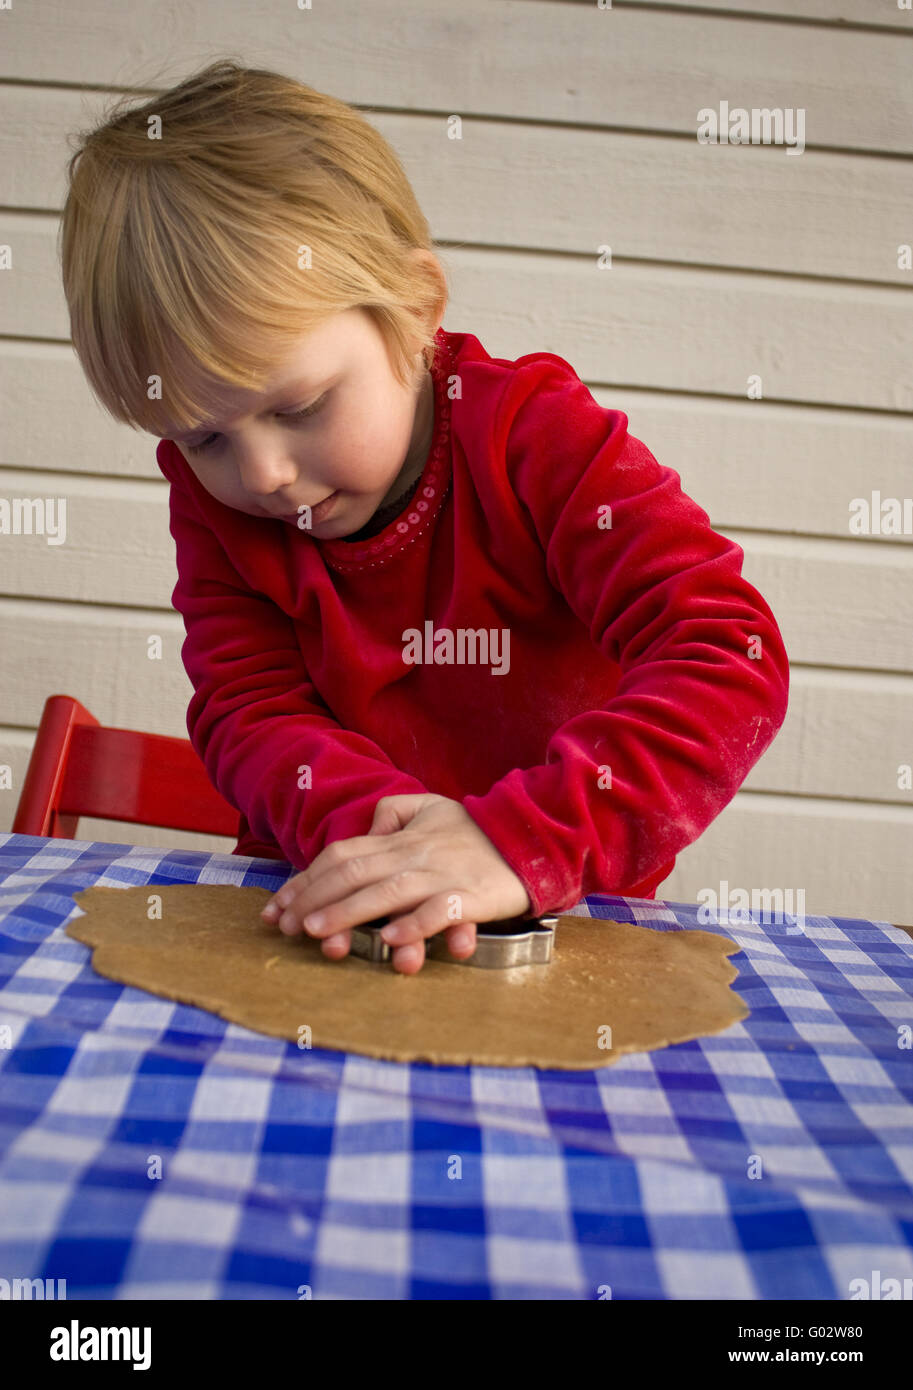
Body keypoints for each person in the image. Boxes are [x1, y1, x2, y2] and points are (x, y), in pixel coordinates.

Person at [59, 60, 789, 975]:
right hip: (329, 915)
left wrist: (511, 842)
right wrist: (393, 845)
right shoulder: (218, 496)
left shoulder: (537, 440)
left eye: (300, 406)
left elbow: (726, 650)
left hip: (558, 930)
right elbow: (248, 704)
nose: (264, 475)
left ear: (413, 308)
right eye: (201, 438)